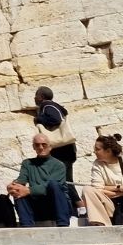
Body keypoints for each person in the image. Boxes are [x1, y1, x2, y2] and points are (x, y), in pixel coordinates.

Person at [33, 86, 83, 216]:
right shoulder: (56, 106)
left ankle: (81, 207)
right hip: (66, 150)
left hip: (62, 150)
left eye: (36, 95)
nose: (34, 98)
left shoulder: (47, 105)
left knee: (64, 180)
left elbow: (55, 119)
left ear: (41, 96)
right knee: (62, 180)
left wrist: (39, 119)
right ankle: (72, 210)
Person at [8, 135, 71, 228]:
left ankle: (63, 224)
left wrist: (29, 190)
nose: (41, 147)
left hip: (55, 206)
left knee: (53, 184)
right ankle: (26, 225)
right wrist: (13, 186)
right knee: (18, 190)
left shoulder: (59, 165)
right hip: (37, 205)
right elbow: (21, 180)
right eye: (37, 145)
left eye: (44, 144)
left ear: (50, 147)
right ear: (34, 147)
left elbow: (49, 186)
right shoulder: (27, 163)